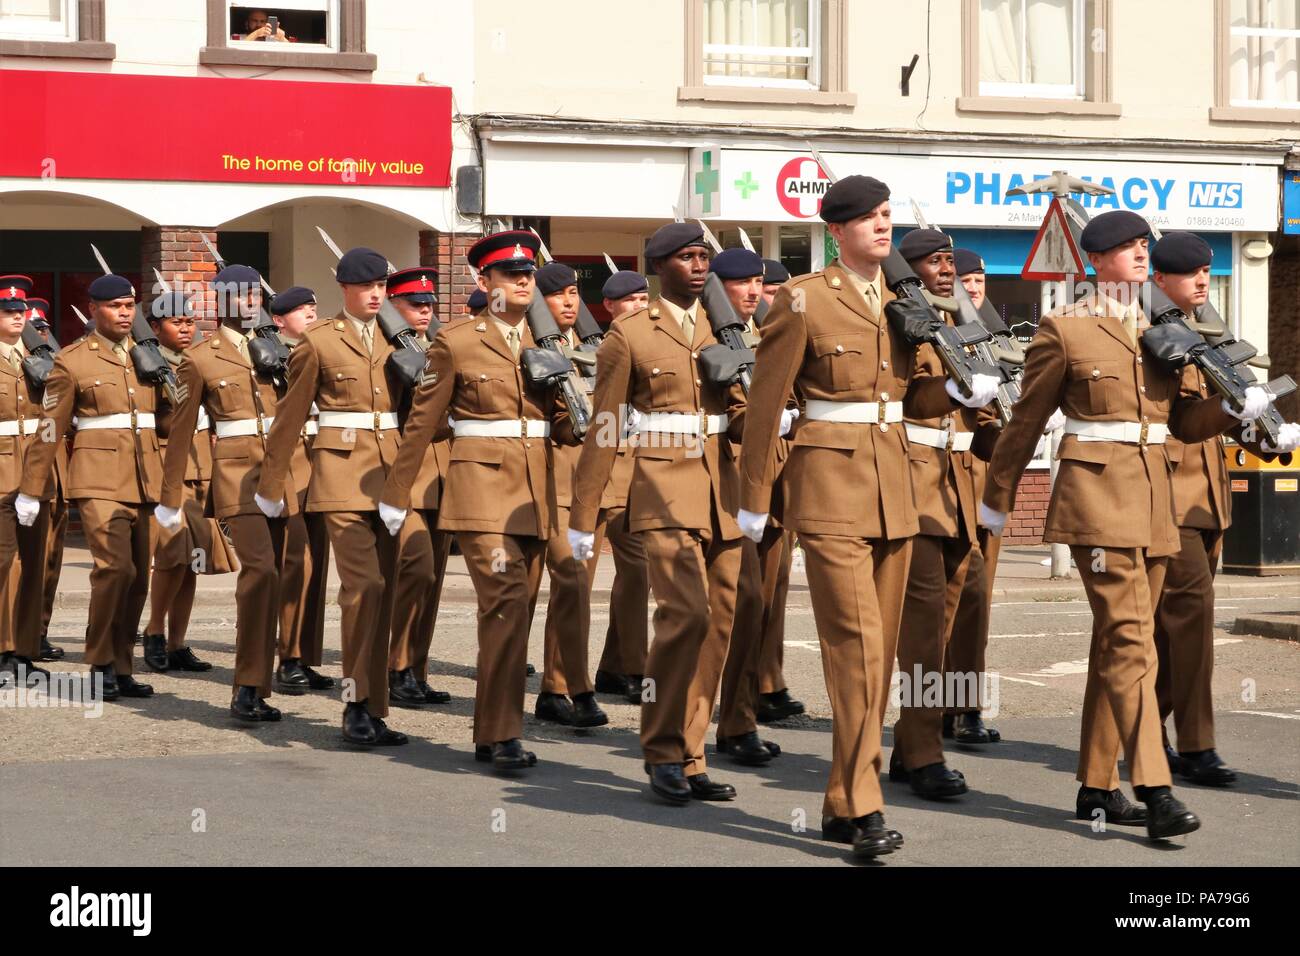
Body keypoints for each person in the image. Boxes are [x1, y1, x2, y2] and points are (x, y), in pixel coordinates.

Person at [979, 209, 1288, 841]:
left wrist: (1233, 410)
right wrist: (998, 498)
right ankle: (1155, 785)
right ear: (1097, 261)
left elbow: (1181, 424)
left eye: (1145, 244)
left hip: (1155, 501)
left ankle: (1096, 783)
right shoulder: (1066, 329)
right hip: (1095, 499)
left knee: (1115, 647)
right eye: (1127, 247)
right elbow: (1027, 421)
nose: (1142, 254)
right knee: (1132, 641)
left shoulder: (1166, 330)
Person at [736, 175, 1000, 858]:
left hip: (895, 490)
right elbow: (766, 408)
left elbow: (913, 404)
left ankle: (840, 800)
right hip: (828, 490)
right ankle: (861, 806)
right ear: (838, 230)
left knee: (879, 658)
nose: (883, 227)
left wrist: (962, 387)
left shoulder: (900, 302)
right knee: (855, 650)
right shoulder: (801, 301)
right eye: (868, 218)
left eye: (886, 216)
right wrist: (754, 501)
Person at [568, 222, 780, 805]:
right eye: (684, 257)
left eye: (701, 257)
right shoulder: (630, 334)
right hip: (661, 487)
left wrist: (764, 414)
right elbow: (606, 428)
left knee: (721, 623)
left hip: (724, 490)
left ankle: (691, 752)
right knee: (684, 615)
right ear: (659, 265)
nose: (696, 265)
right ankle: (661, 749)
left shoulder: (732, 330)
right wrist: (583, 513)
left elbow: (738, 413)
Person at [378, 230, 579, 771]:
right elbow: (423, 421)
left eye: (529, 274)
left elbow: (560, 431)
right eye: (511, 274)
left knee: (516, 613)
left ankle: (493, 731)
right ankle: (501, 733)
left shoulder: (546, 344)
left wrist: (574, 407)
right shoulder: (458, 342)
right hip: (481, 489)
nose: (523, 281)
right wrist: (398, 492)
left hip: (535, 493)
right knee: (505, 601)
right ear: (483, 281)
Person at [1149, 231, 1298, 786]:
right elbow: (1179, 420)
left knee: (1173, 632)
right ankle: (1194, 745)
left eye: (1207, 272)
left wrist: (1269, 439)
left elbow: (1227, 418)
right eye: (1191, 274)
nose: (1203, 282)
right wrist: (1231, 407)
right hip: (1171, 497)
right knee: (1186, 628)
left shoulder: (1207, 337)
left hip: (1208, 500)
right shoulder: (1156, 339)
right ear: (1159, 281)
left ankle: (1145, 734)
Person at [256, 248, 409, 746]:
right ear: (344, 288)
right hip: (340, 479)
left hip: (390, 479)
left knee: (384, 589)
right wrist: (271, 485)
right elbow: (289, 418)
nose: (376, 294)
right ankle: (355, 704)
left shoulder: (400, 338)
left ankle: (375, 705)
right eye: (367, 286)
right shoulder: (319, 343)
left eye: (382, 286)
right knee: (362, 587)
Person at [17, 274, 166, 701]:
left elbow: (168, 420)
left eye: (130, 306)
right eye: (116, 306)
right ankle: (100, 662)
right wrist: (32, 487)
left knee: (138, 578)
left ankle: (122, 665)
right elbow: (50, 428)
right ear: (95, 309)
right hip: (98, 478)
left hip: (144, 478)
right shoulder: (74, 361)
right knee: (114, 570)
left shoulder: (145, 357)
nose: (124, 313)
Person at [888, 228, 998, 799]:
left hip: (957, 489)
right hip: (913, 484)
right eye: (935, 261)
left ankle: (915, 743)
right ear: (909, 268)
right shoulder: (900, 321)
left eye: (951, 260)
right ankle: (923, 751)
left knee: (965, 607)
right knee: (924, 629)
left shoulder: (957, 323)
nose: (948, 269)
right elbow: (909, 398)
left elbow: (978, 412)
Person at [707, 248, 790, 766]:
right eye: (743, 285)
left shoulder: (764, 337)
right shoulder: (707, 339)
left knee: (755, 607)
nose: (754, 292)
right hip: (726, 489)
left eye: (758, 283)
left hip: (774, 486)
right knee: (726, 612)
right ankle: (700, 726)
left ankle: (741, 718)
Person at [531, 262, 609, 728]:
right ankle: (570, 689)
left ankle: (557, 686)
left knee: (575, 589)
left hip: (585, 485)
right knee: (564, 585)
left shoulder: (589, 348)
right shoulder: (525, 347)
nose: (569, 302)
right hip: (543, 481)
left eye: (574, 293)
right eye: (557, 294)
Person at [941, 248, 1004, 745]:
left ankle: (964, 706)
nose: (974, 285)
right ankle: (931, 706)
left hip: (986, 476)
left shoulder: (1001, 334)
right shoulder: (937, 331)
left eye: (979, 277)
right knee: (939, 601)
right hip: (940, 476)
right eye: (965, 278)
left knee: (976, 603)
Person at [383, 267, 452, 709]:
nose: (425, 312)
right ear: (394, 306)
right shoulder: (382, 351)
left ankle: (416, 670)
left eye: (429, 304)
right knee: (415, 567)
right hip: (402, 468)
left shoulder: (441, 347)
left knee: (435, 579)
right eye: (415, 304)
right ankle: (393, 665)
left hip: (443, 469)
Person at [142, 291, 214, 675]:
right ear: (155, 328)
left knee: (193, 561)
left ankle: (177, 642)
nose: (186, 328)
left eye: (189, 322)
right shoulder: (149, 366)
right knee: (171, 557)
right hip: (170, 465)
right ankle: (154, 631)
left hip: (202, 464)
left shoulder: (201, 360)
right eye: (176, 322)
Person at [267, 286, 334, 695]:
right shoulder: (266, 354)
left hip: (323, 463)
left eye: (313, 307)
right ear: (278, 320)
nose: (310, 313)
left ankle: (306, 656)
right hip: (289, 463)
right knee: (296, 563)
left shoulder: (325, 349)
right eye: (299, 310)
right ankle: (286, 655)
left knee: (318, 564)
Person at [590, 269, 652, 701]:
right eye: (630, 301)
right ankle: (619, 668)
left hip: (638, 469)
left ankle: (620, 665)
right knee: (581, 577)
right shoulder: (602, 349)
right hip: (600, 468)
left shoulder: (651, 344)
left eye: (645, 299)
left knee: (637, 570)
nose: (640, 306)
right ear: (610, 307)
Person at [0, 277, 51, 686]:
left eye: (20, 313)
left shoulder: (40, 355)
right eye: (8, 312)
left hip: (36, 470)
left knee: (35, 563)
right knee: (3, 563)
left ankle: (24, 649)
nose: (18, 318)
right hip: (1, 474)